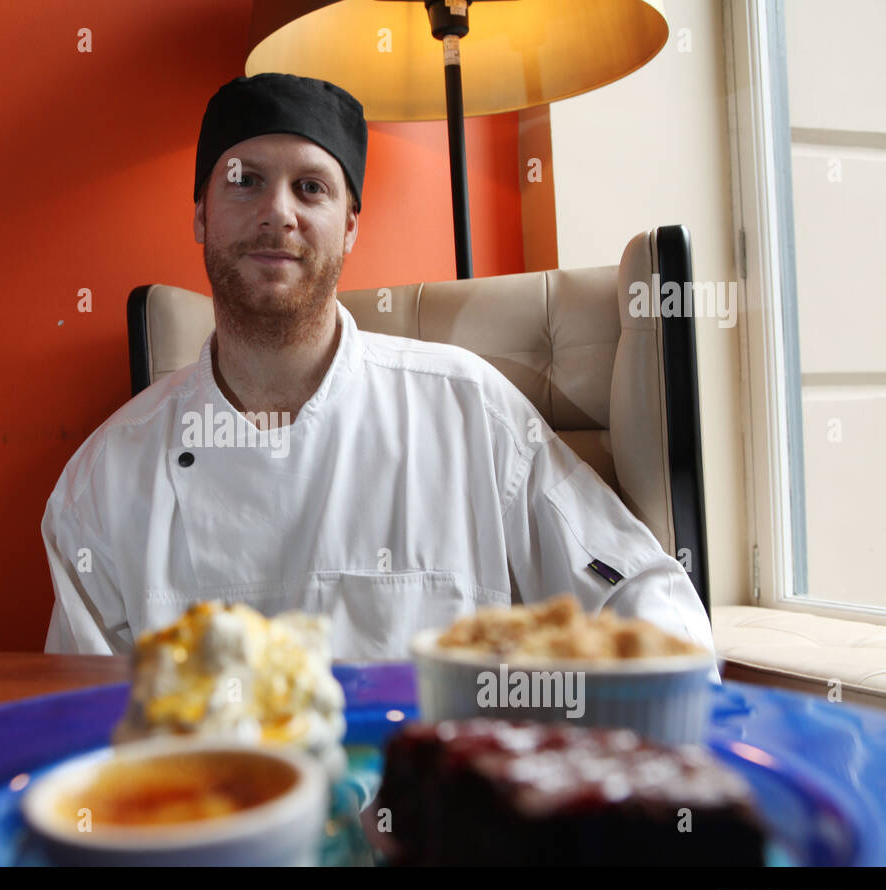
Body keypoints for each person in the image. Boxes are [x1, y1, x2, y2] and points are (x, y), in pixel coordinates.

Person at [40, 72, 718, 674]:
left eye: (311, 187)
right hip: (218, 810)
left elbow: (638, 594)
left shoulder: (468, 409)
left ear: (351, 227)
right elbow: (78, 721)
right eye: (245, 181)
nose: (279, 211)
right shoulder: (105, 478)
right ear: (200, 214)